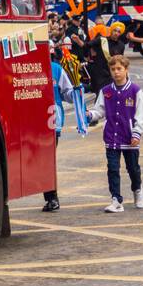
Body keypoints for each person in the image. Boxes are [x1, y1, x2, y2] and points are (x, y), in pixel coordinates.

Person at [86, 54, 143, 213]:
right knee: (112, 168)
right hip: (112, 136)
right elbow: (99, 110)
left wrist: (137, 133)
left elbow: (141, 114)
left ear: (126, 70)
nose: (116, 72)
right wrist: (90, 115)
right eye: (113, 69)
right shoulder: (106, 91)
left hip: (129, 137)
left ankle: (137, 190)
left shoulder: (135, 91)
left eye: (119, 69)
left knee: (133, 168)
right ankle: (116, 199)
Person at [44, 45, 88, 213]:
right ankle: (50, 196)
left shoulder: (56, 69)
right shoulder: (26, 67)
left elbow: (67, 92)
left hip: (52, 120)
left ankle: (52, 198)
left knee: (48, 159)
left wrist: (77, 91)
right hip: (32, 119)